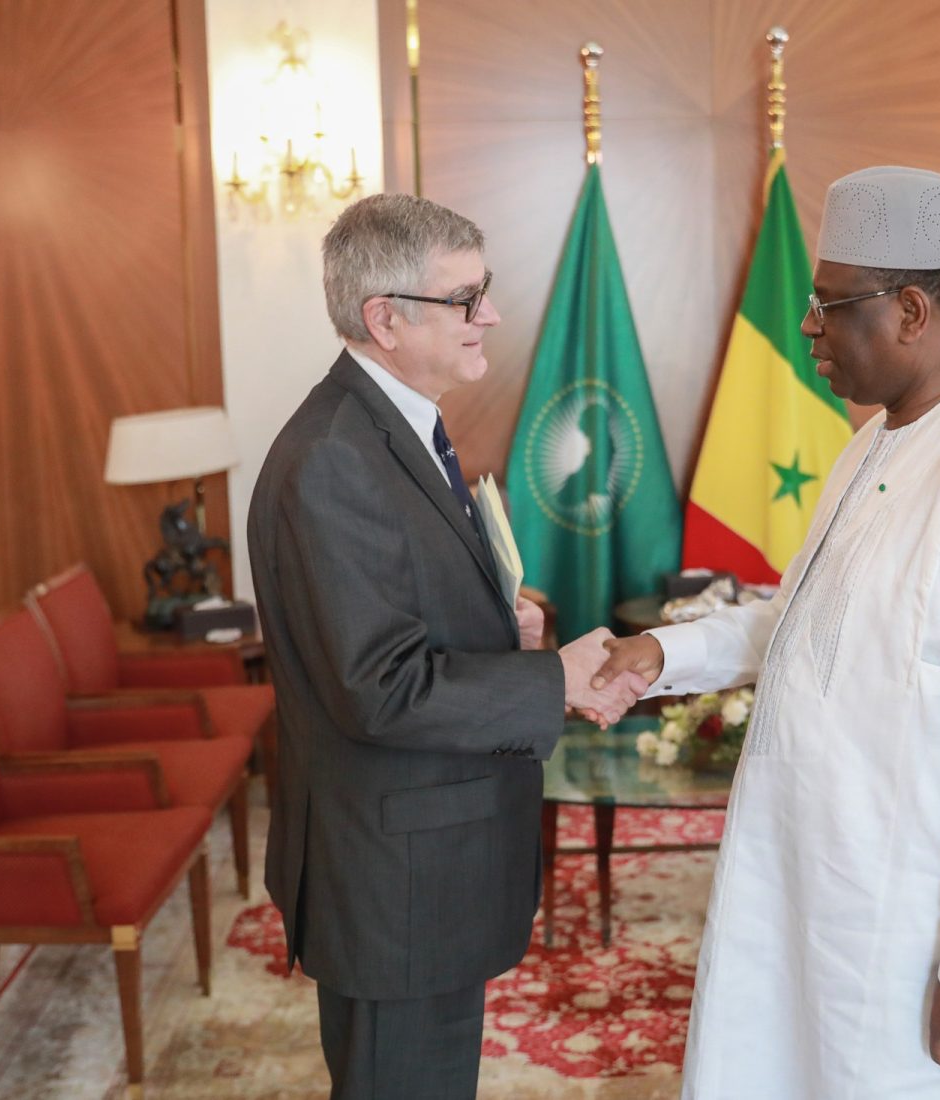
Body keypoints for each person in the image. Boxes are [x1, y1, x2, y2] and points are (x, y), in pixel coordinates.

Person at [594, 167, 940, 1097]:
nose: (809, 328)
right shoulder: (876, 440)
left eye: (830, 305)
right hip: (818, 884)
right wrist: (664, 653)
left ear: (912, 310)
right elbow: (805, 622)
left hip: (905, 921)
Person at [247, 193, 645, 1099]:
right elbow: (379, 688)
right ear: (384, 318)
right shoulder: (333, 460)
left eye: (486, 290)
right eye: (465, 297)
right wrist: (551, 681)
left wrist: (500, 633)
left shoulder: (395, 423)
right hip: (394, 882)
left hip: (421, 862)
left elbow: (392, 619)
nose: (491, 316)